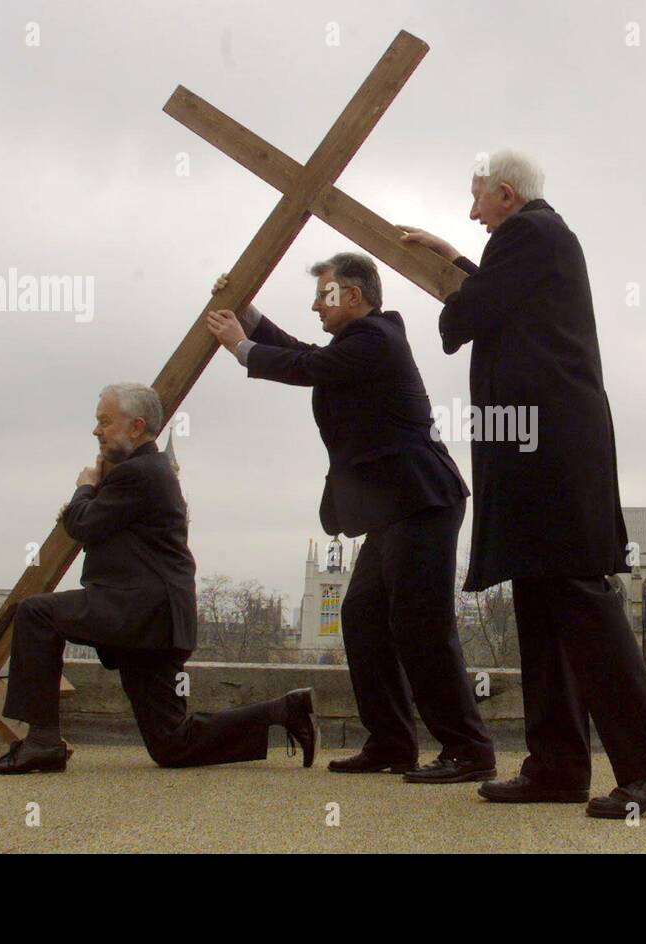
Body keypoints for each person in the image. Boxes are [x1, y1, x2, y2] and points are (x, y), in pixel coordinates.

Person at [399, 150, 646, 818]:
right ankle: (558, 765)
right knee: (542, 598)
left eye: (477, 201)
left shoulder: (530, 233)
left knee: (577, 595)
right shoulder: (536, 241)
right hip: (542, 445)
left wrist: (453, 282)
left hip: (551, 450)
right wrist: (456, 258)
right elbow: (498, 296)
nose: (472, 214)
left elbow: (465, 318)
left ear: (505, 195)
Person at [205, 253, 495, 783]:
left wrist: (240, 347)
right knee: (362, 618)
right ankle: (390, 743)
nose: (316, 304)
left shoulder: (377, 340)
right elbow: (305, 354)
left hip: (423, 501)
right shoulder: (356, 346)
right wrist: (246, 314)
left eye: (325, 294)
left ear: (353, 297)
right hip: (394, 510)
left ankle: (468, 748)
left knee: (421, 626)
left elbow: (305, 367)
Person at [0, 383, 315, 774]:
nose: (96, 431)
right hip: (154, 622)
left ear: (136, 427)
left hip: (141, 611)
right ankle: (285, 710)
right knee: (172, 745)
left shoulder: (140, 473)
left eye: (104, 421)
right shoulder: (147, 473)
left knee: (35, 613)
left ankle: (41, 741)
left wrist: (84, 486)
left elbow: (84, 524)